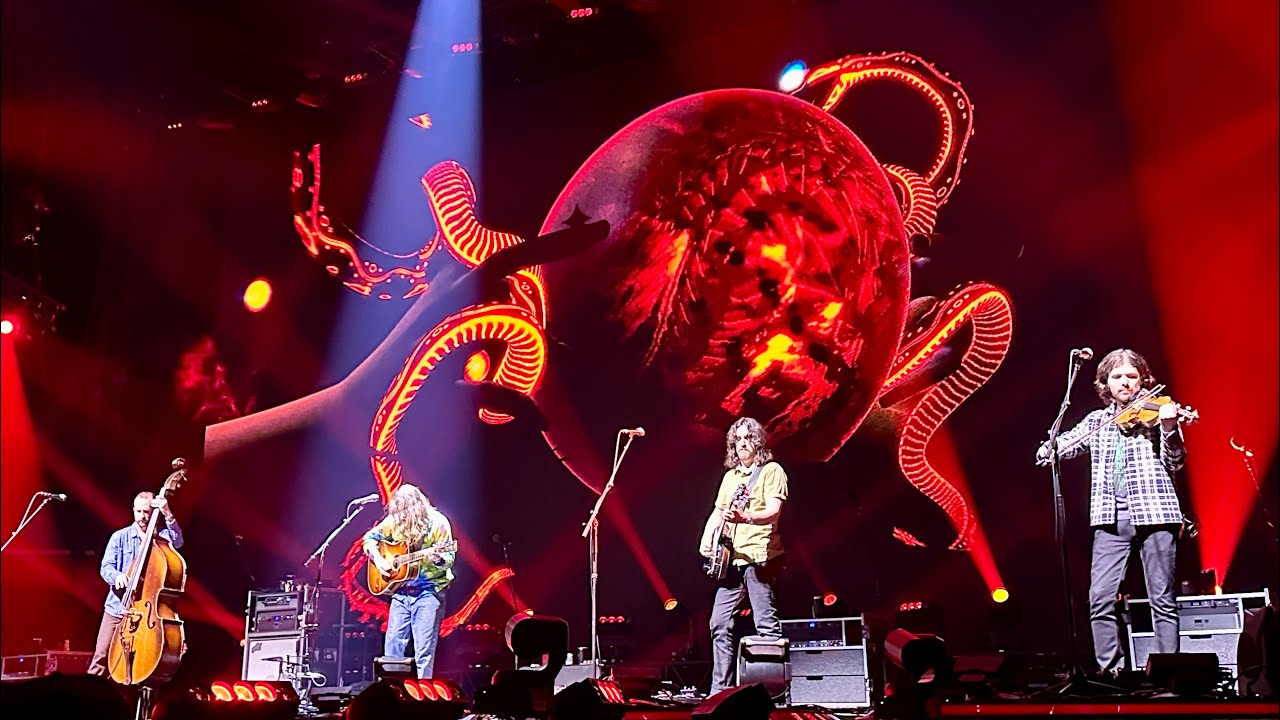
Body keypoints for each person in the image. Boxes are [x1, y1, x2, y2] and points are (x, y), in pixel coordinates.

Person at [1037, 348, 1189, 675]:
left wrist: (1170, 428)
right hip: (1109, 519)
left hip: (1156, 514)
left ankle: (1168, 673)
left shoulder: (1157, 413)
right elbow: (1067, 443)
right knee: (1100, 599)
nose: (1124, 382)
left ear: (1142, 380)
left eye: (1131, 376)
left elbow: (1175, 461)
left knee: (1162, 601)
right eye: (1117, 377)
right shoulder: (1096, 421)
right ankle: (1112, 672)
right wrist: (1048, 449)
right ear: (1105, 382)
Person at [699, 417, 789, 696]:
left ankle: (773, 694)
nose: (741, 445)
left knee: (766, 627)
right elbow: (718, 511)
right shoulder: (730, 477)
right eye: (737, 440)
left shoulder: (771, 471)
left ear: (758, 441)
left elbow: (774, 510)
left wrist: (745, 516)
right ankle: (719, 693)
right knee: (719, 623)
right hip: (732, 561)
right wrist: (706, 538)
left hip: (761, 557)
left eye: (747, 439)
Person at [363, 484, 455, 679]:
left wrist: (436, 558)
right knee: (393, 648)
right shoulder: (395, 521)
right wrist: (380, 562)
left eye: (404, 513)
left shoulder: (438, 523)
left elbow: (447, 559)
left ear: (416, 508)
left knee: (423, 650)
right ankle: (392, 693)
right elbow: (369, 539)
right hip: (401, 593)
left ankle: (422, 698)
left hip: (429, 592)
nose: (400, 518)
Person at [89, 492, 184, 677]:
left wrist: (167, 512)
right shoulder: (119, 537)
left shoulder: (162, 538)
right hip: (118, 608)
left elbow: (178, 541)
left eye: (147, 512)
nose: (142, 516)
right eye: (139, 511)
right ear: (133, 510)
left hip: (146, 614)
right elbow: (106, 567)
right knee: (100, 659)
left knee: (140, 665)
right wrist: (116, 577)